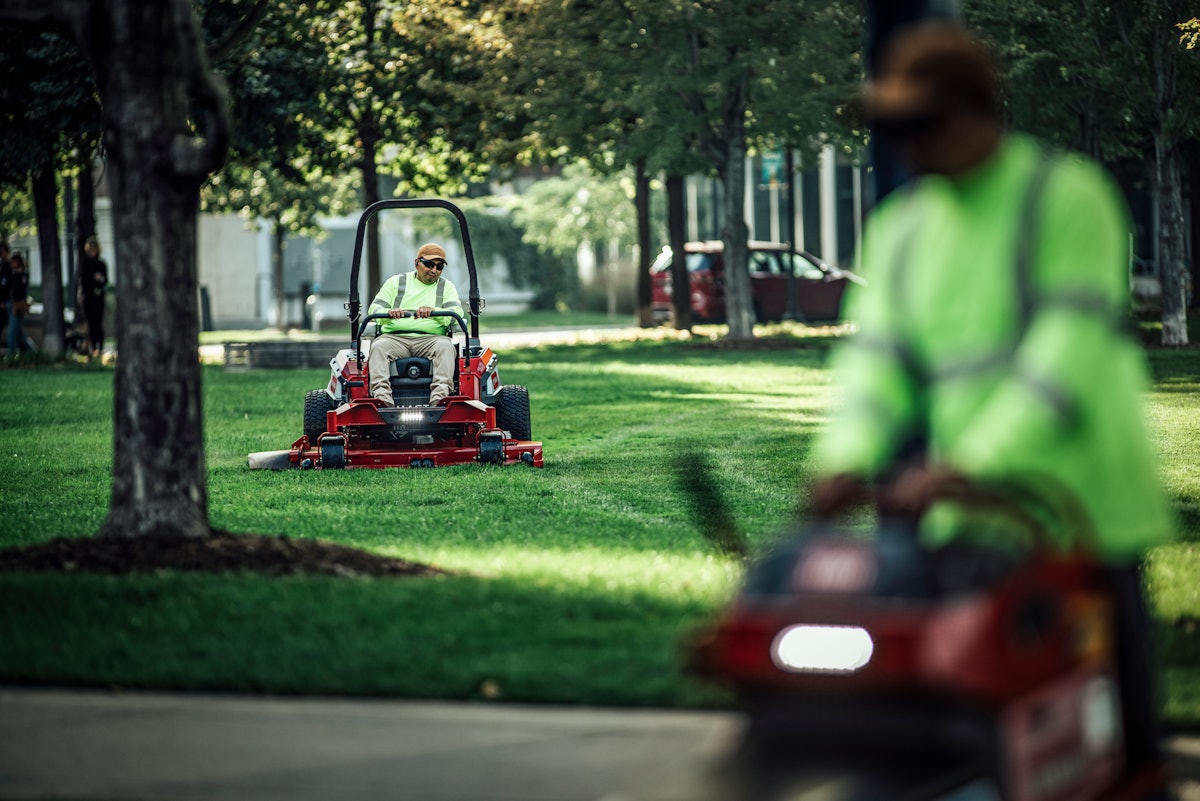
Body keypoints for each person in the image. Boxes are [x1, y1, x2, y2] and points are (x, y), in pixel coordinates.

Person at [809, 20, 1173, 776]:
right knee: (972, 726)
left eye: (921, 124)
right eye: (895, 128)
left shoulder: (1064, 197)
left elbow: (1063, 353)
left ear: (976, 110)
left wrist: (973, 459)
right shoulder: (902, 229)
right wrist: (842, 458)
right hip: (970, 516)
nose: (907, 144)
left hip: (1082, 512)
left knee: (1111, 739)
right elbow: (876, 367)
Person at [367, 243, 463, 407]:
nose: (434, 270)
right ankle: (382, 401)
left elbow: (456, 313)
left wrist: (434, 311)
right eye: (429, 264)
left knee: (446, 347)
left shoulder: (446, 286)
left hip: (432, 339)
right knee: (378, 347)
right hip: (395, 338)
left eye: (439, 267)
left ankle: (439, 401)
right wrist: (389, 313)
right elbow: (374, 309)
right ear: (417, 262)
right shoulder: (395, 283)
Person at [79, 236, 109, 358]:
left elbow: (105, 281)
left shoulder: (101, 264)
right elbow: (82, 280)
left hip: (98, 297)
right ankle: (91, 348)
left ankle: (99, 347)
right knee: (90, 323)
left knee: (98, 323)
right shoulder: (85, 263)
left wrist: (100, 279)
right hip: (88, 297)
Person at [6, 252, 32, 357]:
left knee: (12, 334)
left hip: (17, 305)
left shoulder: (22, 276)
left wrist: (18, 305)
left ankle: (11, 355)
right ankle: (32, 353)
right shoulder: (12, 275)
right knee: (20, 335)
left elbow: (20, 292)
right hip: (11, 304)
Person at [0, 241, 10, 339]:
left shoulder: (8, 266)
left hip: (6, 300)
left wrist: (3, 300)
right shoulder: (2, 265)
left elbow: (6, 285)